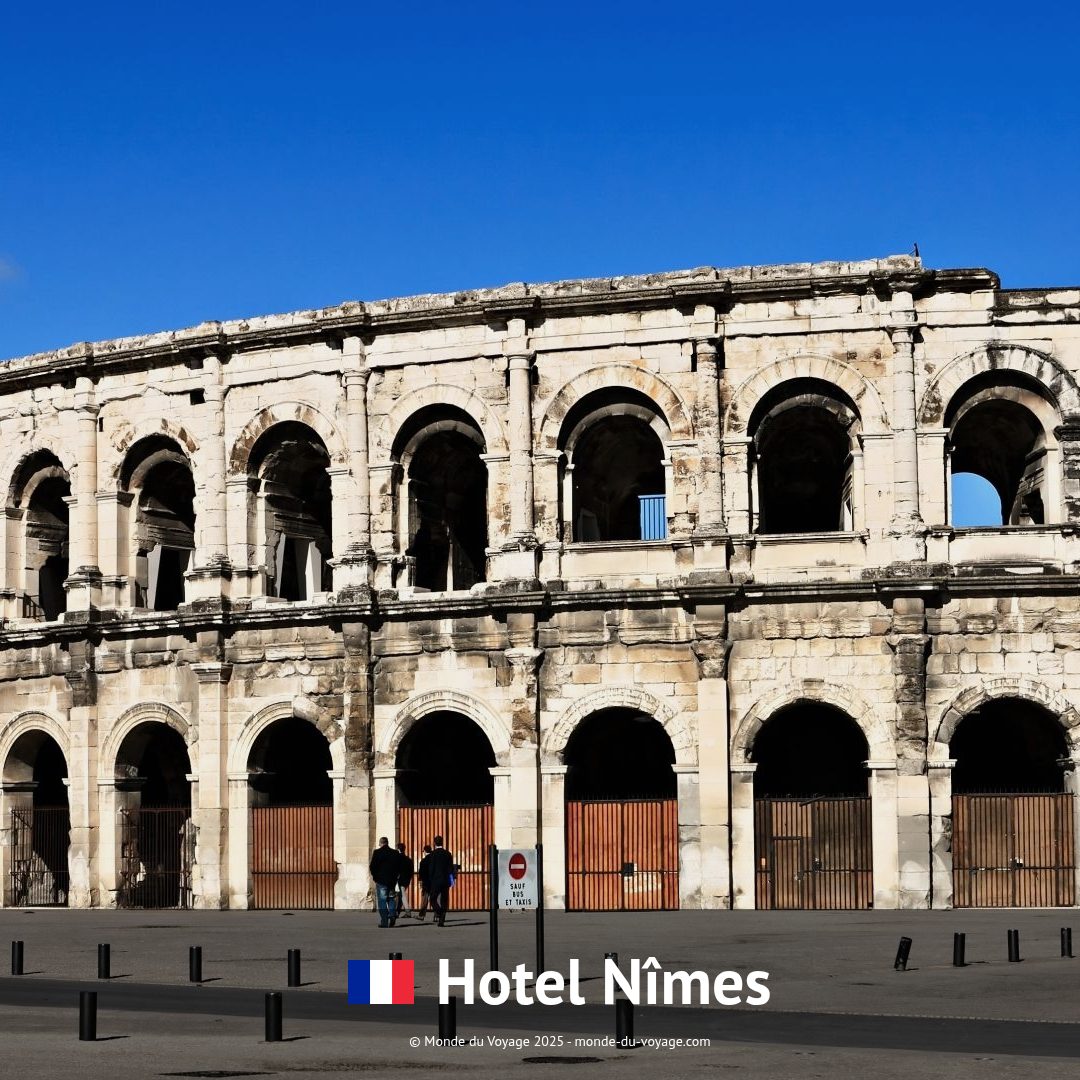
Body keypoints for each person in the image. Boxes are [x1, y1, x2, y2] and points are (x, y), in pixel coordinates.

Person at [369, 836, 401, 928]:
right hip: (392, 881)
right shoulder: (395, 853)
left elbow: (372, 867)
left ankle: (385, 921)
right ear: (387, 843)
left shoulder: (377, 852)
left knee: (382, 900)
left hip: (381, 880)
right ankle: (392, 914)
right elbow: (398, 867)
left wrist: (375, 877)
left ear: (380, 843)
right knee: (391, 898)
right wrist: (395, 877)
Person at [426, 835, 454, 927]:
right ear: (442, 842)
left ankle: (438, 911)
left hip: (436, 880)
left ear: (434, 843)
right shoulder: (448, 853)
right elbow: (451, 869)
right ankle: (442, 920)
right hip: (446, 880)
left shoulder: (433, 854)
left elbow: (431, 868)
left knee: (433, 898)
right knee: (444, 900)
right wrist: (452, 881)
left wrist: (430, 880)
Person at [396, 842, 415, 918]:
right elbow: (411, 871)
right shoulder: (408, 859)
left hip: (400, 880)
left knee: (402, 895)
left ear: (398, 849)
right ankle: (397, 912)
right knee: (400, 895)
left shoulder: (397, 859)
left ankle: (408, 912)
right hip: (407, 880)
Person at [415, 844, 433, 920]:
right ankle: (437, 915)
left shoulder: (423, 861)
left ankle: (421, 915)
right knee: (435, 899)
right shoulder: (434, 859)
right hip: (434, 881)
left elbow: (421, 873)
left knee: (424, 899)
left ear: (425, 851)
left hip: (426, 882)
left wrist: (420, 881)